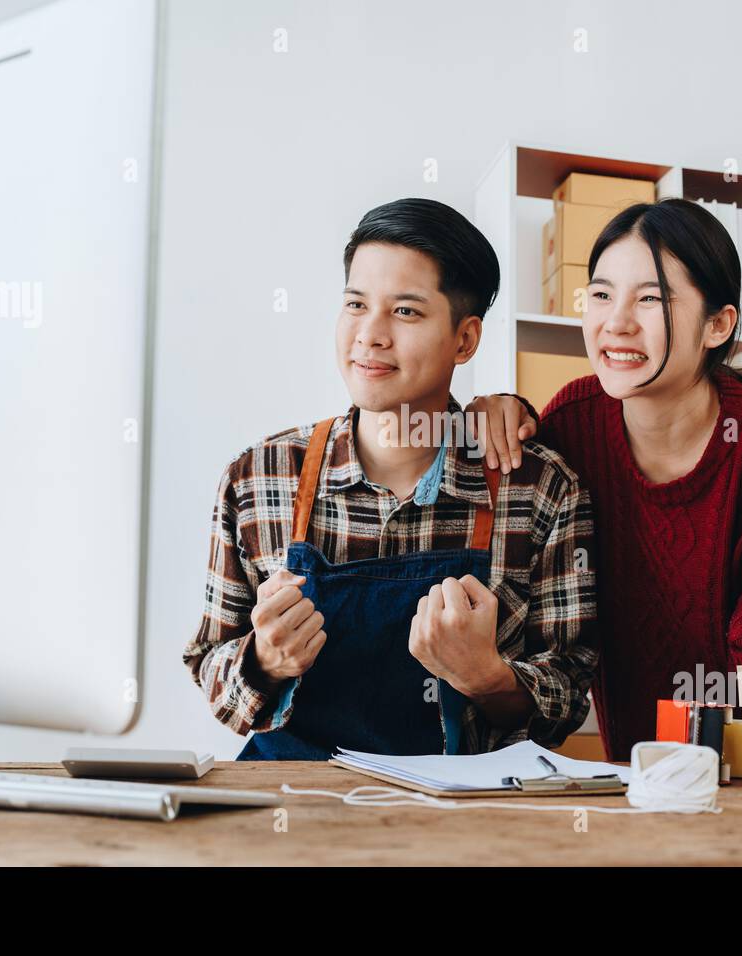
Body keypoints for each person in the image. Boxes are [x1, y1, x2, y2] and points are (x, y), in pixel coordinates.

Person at [182, 198, 599, 760]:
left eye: (405, 312)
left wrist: (487, 677)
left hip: (461, 828)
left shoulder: (540, 490)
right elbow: (211, 666)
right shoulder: (259, 477)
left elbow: (567, 697)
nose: (370, 335)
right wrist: (262, 662)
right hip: (293, 818)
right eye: (355, 304)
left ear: (465, 339)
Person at [467, 198, 742, 760]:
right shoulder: (573, 424)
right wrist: (504, 411)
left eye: (650, 299)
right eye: (600, 295)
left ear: (717, 325)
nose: (616, 322)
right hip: (635, 769)